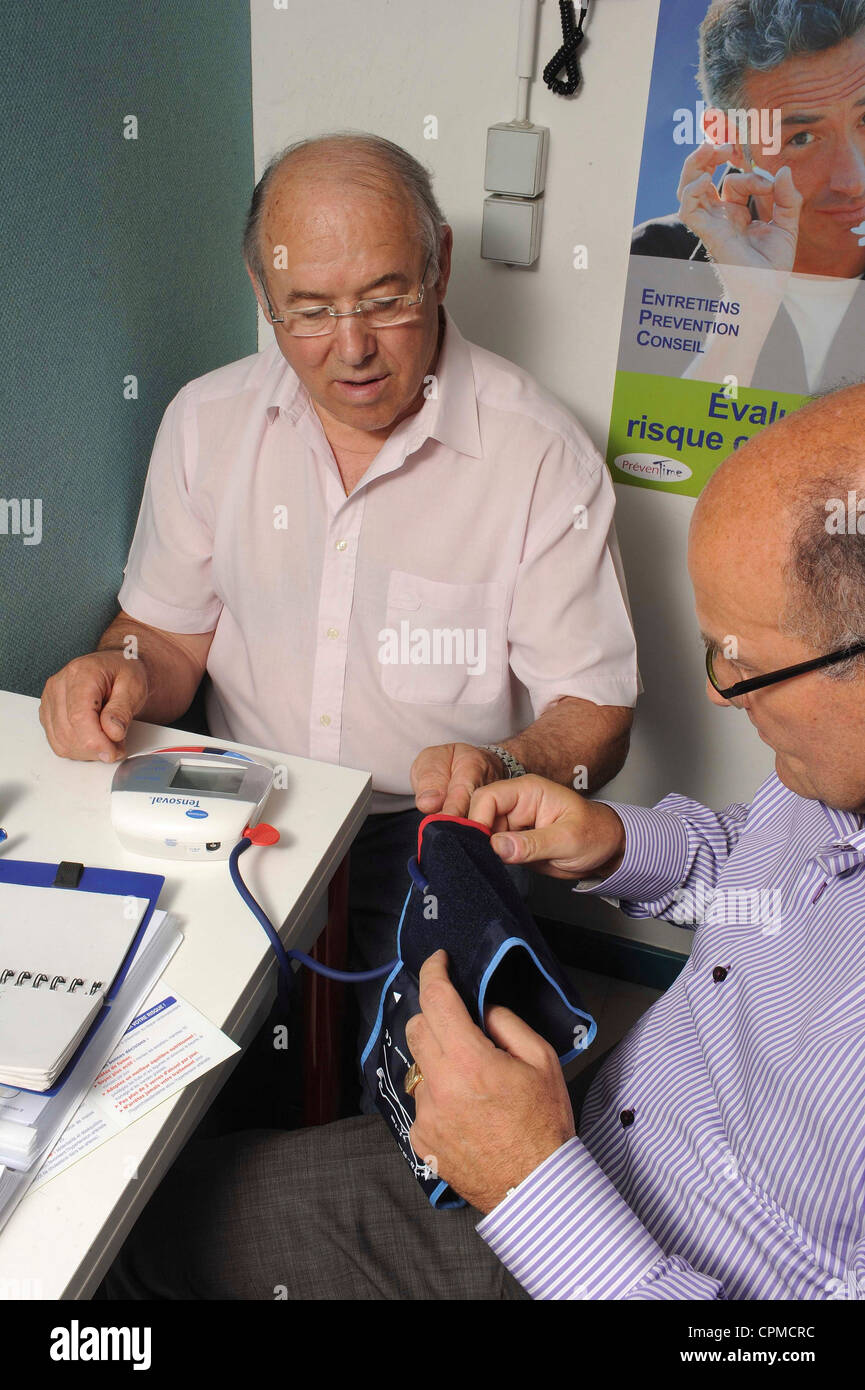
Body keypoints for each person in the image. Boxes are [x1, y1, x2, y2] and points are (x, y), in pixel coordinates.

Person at [102, 382, 865, 1300]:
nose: (718, 692)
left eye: (744, 662)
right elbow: (768, 864)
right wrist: (616, 842)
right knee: (158, 1219)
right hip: (585, 1137)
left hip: (585, 1247)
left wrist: (528, 1183)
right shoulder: (829, 775)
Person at [38, 132, 637, 1068]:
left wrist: (502, 759)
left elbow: (596, 713)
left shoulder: (537, 454)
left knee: (435, 1099)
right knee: (114, 1043)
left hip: (422, 831)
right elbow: (162, 636)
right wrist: (113, 671)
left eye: (385, 300)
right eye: (308, 312)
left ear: (439, 264)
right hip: (237, 802)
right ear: (260, 293)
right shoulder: (207, 421)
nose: (349, 349)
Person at [632, 0, 865, 391]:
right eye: (801, 138)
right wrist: (744, 309)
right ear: (730, 141)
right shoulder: (653, 261)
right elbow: (648, 448)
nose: (855, 178)